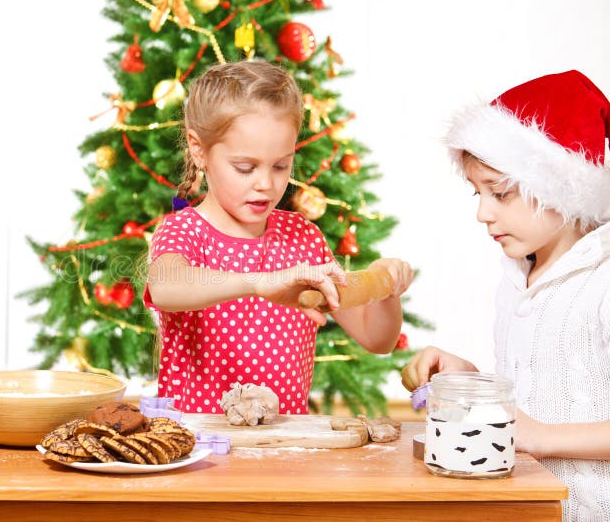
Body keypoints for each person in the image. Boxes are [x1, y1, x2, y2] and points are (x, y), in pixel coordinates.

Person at [145, 60, 413, 415]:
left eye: (281, 165)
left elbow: (376, 339)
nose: (266, 183)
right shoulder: (184, 232)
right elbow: (165, 287)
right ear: (199, 150)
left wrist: (386, 290)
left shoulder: (302, 237)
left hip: (285, 442)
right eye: (245, 167)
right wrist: (258, 283)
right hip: (200, 442)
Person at [400, 70, 610, 520]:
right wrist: (472, 381)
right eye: (477, 193)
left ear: (559, 187)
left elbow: (534, 431)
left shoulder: (603, 280)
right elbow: (537, 400)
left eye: (500, 193)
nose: (483, 213)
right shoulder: (517, 278)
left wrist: (543, 438)